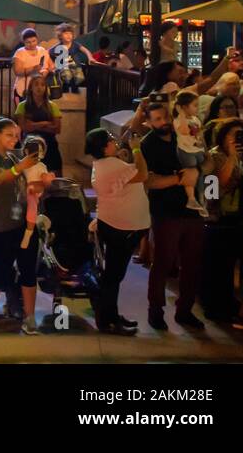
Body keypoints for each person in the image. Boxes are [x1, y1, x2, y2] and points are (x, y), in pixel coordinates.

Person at [141, 98, 206, 331]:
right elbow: (148, 181)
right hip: (166, 211)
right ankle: (155, 311)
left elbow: (205, 166)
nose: (164, 122)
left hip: (193, 211)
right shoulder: (148, 145)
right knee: (163, 263)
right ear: (148, 123)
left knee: (192, 263)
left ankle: (185, 311)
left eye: (166, 117)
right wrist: (179, 179)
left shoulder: (184, 135)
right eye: (158, 119)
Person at [0, 117, 40, 335]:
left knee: (28, 271)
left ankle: (30, 317)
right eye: (10, 135)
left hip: (24, 224)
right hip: (2, 225)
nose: (15, 139)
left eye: (17, 136)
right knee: (0, 271)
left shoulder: (14, 158)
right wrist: (20, 167)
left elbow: (28, 185)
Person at [86, 127, 149, 334]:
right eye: (111, 140)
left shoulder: (103, 164)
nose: (115, 142)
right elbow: (142, 174)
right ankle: (107, 321)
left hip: (115, 225)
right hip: (120, 228)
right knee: (113, 277)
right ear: (105, 147)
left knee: (113, 276)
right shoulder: (110, 166)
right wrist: (137, 150)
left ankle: (110, 315)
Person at [200, 119, 243, 322]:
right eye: (233, 135)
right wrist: (231, 159)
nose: (237, 139)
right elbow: (212, 191)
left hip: (234, 219)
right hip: (215, 220)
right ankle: (213, 307)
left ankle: (227, 304)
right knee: (214, 268)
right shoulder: (213, 156)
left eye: (240, 135)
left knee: (227, 268)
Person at [13, 74, 63, 174]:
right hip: (30, 146)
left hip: (50, 146)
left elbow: (57, 129)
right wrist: (45, 123)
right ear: (31, 88)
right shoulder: (22, 106)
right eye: (36, 85)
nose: (39, 87)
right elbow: (25, 128)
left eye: (42, 85)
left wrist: (33, 125)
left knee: (53, 176)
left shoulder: (52, 106)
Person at [172, 91, 208, 215]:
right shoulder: (178, 121)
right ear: (184, 107)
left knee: (201, 174)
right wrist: (181, 114)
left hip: (197, 149)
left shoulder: (195, 119)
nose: (197, 108)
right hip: (186, 150)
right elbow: (185, 131)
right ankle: (191, 198)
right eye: (194, 105)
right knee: (191, 173)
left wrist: (203, 146)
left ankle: (202, 199)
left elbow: (199, 134)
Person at [18, 134, 54, 250]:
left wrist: (47, 179)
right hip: (21, 190)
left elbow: (45, 181)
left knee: (32, 201)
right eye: (34, 149)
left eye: (40, 151)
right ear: (26, 150)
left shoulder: (41, 166)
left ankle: (28, 232)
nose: (37, 153)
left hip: (34, 192)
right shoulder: (22, 163)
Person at [11, 28, 54, 101]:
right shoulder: (20, 52)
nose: (32, 44)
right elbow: (17, 72)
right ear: (23, 42)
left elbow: (51, 65)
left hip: (40, 90)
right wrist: (33, 69)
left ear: (37, 39)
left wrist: (47, 71)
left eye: (34, 41)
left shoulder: (42, 50)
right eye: (28, 42)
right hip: (23, 89)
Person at [48, 23, 90, 94]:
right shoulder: (59, 46)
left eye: (70, 33)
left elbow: (85, 50)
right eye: (66, 33)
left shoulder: (75, 44)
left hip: (75, 68)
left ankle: (75, 91)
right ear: (60, 36)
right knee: (66, 76)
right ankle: (65, 91)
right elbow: (47, 52)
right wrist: (51, 64)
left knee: (78, 77)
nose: (68, 35)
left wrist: (90, 57)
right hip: (64, 69)